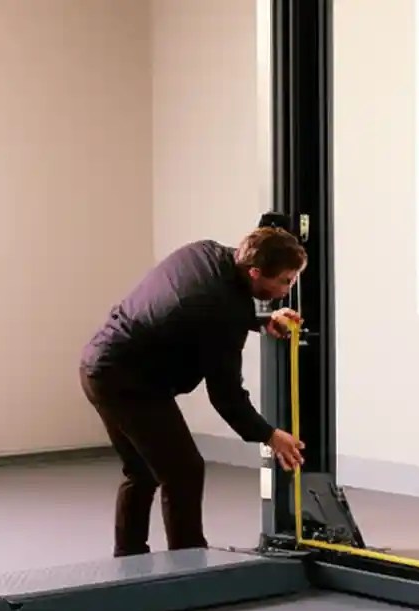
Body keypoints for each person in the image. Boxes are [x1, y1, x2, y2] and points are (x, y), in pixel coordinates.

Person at [79, 218, 307, 557]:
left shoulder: (207, 253)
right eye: (285, 281)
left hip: (99, 363)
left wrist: (260, 320)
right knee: (183, 470)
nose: (287, 289)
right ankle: (188, 562)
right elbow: (227, 396)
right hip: (127, 381)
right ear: (256, 272)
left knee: (142, 471)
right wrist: (270, 436)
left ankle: (128, 559)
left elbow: (200, 304)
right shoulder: (220, 314)